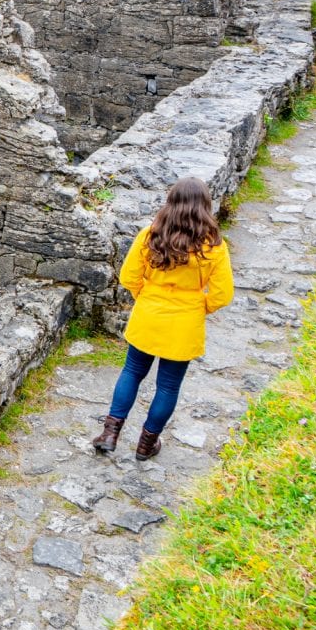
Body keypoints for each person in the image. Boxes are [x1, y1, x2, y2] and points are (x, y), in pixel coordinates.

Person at [91, 177, 234, 460]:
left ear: (170, 203)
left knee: (132, 372)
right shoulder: (214, 247)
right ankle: (146, 444)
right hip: (184, 322)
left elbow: (129, 276)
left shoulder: (150, 235)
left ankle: (110, 433)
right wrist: (198, 306)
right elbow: (222, 294)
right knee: (168, 386)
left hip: (149, 314)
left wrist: (147, 296)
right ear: (205, 207)